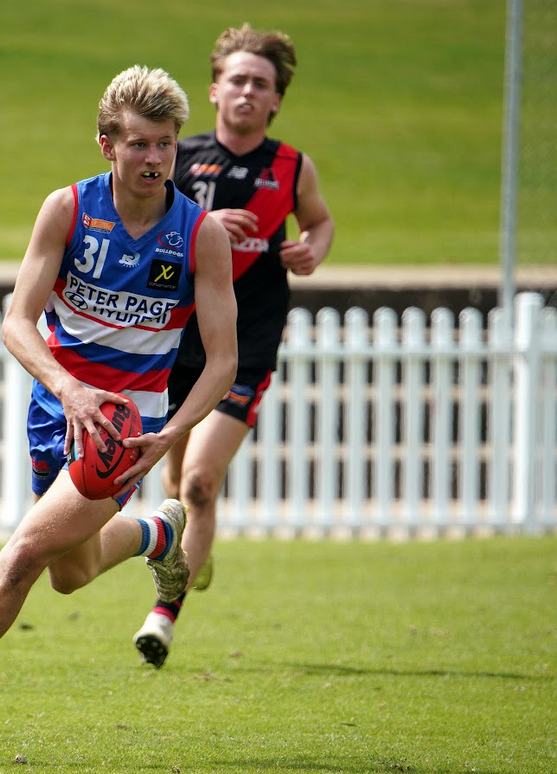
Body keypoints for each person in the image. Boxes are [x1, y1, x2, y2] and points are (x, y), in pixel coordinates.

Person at [0, 65, 238, 757]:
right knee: (71, 573)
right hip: (54, 408)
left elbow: (222, 361)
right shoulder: (67, 209)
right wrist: (69, 389)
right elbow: (17, 324)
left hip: (124, 432)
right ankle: (156, 534)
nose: (154, 159)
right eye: (140, 144)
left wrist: (171, 432)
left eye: (167, 144)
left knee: (24, 556)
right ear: (106, 146)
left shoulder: (200, 235)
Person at [132, 24, 335, 669]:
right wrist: (204, 227)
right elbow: (147, 231)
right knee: (171, 477)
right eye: (238, 80)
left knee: (196, 482)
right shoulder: (177, 159)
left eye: (262, 84)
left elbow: (321, 222)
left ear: (276, 100)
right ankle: (194, 548)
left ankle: (163, 617)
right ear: (215, 88)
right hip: (175, 340)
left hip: (245, 348)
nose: (248, 91)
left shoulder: (291, 166)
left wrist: (312, 249)